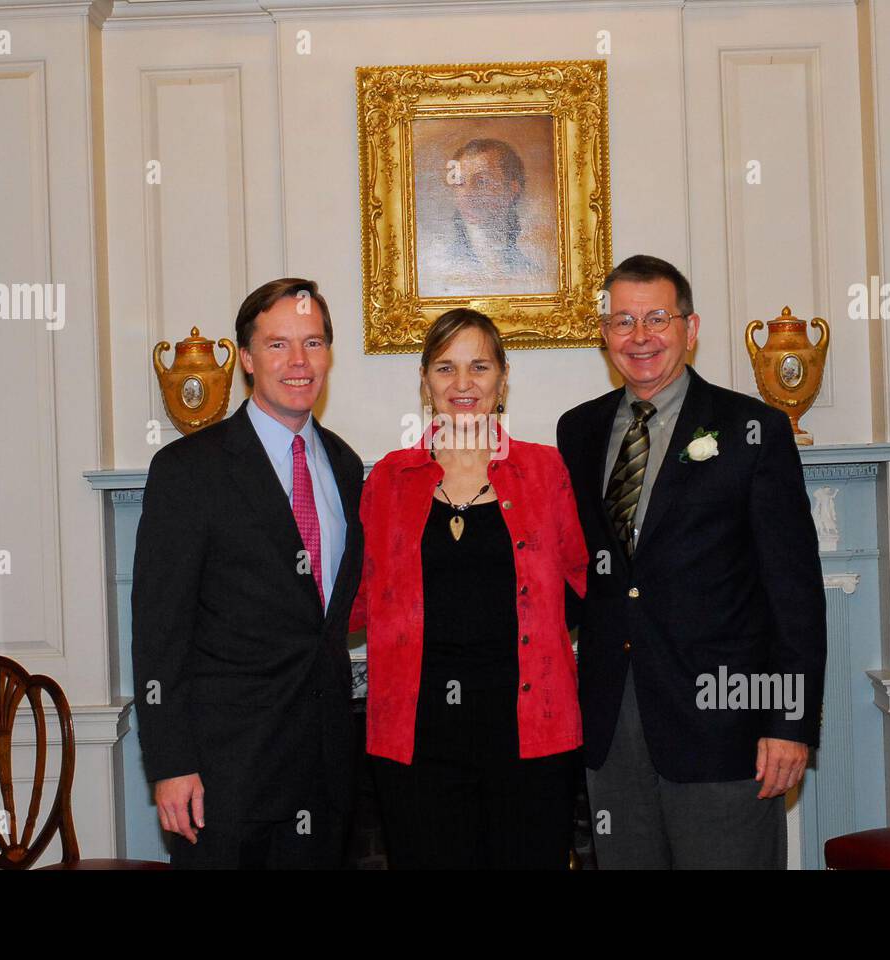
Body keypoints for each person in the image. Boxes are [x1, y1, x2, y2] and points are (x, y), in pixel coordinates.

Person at [556, 255, 826, 869]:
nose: (640, 336)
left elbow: (795, 590)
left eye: (657, 318)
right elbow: (578, 574)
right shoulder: (578, 431)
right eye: (623, 321)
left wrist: (790, 723)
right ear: (604, 334)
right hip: (611, 726)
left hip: (725, 723)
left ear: (690, 327)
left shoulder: (753, 428)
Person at [131, 277, 363, 869]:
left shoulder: (343, 464)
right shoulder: (188, 471)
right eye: (279, 344)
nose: (298, 362)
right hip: (224, 778)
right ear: (247, 359)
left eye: (313, 343)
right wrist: (171, 764)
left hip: (326, 771)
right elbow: (159, 633)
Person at [352, 308, 588, 868]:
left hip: (530, 732)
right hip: (415, 735)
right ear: (425, 382)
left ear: (503, 380)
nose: (463, 384)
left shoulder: (545, 470)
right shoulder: (388, 479)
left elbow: (580, 583)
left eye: (479, 366)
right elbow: (357, 596)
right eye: (445, 368)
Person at [424, 139, 555, 296]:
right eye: (460, 183)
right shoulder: (439, 267)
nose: (466, 194)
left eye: (482, 181)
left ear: (512, 190)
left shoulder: (535, 273)